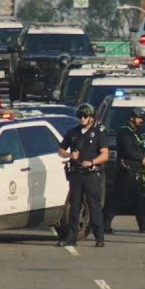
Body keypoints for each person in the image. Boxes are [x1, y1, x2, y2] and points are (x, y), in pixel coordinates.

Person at [58, 104, 110, 248]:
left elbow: (105, 155)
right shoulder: (73, 132)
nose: (82, 119)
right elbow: (60, 150)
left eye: (85, 116)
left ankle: (99, 237)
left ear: (91, 117)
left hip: (91, 175)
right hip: (75, 174)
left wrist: (92, 162)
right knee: (74, 206)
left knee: (94, 206)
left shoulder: (98, 133)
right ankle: (71, 237)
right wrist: (70, 154)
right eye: (79, 116)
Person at [104, 108, 145, 235]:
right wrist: (141, 157)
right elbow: (128, 150)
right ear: (132, 118)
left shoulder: (136, 132)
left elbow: (141, 146)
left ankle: (144, 225)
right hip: (127, 171)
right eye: (139, 118)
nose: (141, 120)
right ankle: (104, 223)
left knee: (138, 199)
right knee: (118, 199)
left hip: (135, 171)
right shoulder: (125, 132)